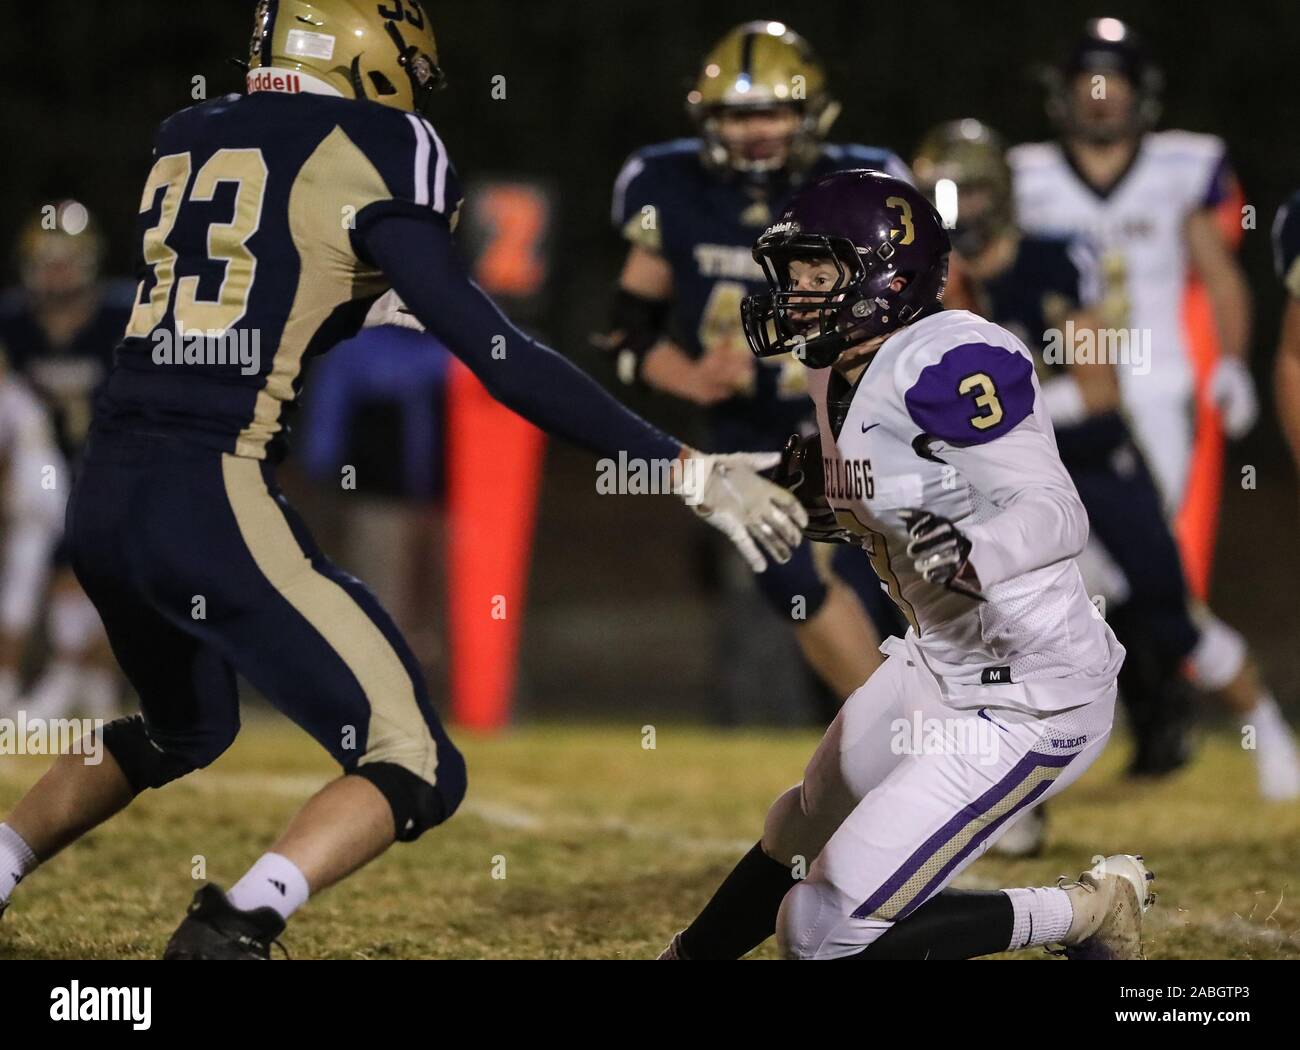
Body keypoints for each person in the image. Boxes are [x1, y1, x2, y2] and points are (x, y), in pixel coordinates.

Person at [0, 0, 805, 958]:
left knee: (185, 729)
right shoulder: (380, 140)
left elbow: (271, 285)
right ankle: (239, 922)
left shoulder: (189, 135)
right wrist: (684, 468)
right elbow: (499, 354)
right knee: (414, 761)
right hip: (207, 489)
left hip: (104, 499)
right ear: (368, 51)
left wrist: (382, 311)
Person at [660, 170, 1153, 961]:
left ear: (885, 275)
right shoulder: (832, 368)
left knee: (819, 932)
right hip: (939, 659)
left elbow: (1057, 512)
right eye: (792, 276)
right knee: (797, 826)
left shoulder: (951, 357)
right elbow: (848, 488)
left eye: (819, 276)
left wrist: (973, 553)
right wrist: (733, 481)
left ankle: (1083, 912)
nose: (796, 295)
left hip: (1029, 693)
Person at [914, 121, 1299, 830]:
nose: (953, 209)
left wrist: (993, 419)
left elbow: (1097, 390)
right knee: (1006, 627)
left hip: (1096, 465)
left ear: (997, 194)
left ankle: (1267, 728)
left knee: (1168, 612)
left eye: (964, 192)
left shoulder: (1056, 263)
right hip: (1016, 483)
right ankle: (1015, 801)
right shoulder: (938, 284)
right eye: (938, 193)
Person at [1010, 20, 1297, 800]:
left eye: (1116, 87)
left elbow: (1222, 274)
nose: (1101, 103)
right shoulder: (1023, 177)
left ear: (1141, 95)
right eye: (1087, 87)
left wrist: (1232, 363)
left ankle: (1229, 721)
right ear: (1064, 96)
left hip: (1153, 391)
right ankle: (1131, 730)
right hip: (1060, 400)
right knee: (1078, 577)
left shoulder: (1183, 164)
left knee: (1149, 575)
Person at [603, 21, 909, 707]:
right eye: (737, 116)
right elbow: (629, 331)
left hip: (864, 421)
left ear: (811, 112)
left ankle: (963, 744)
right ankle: (897, 739)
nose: (755, 131)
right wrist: (690, 377)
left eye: (773, 110)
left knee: (901, 591)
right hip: (750, 434)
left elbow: (924, 310)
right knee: (792, 586)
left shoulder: (864, 183)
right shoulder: (668, 182)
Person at [0, 202, 128, 719]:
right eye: (47, 260)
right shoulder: (11, 323)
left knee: (109, 575)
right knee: (38, 556)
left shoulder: (124, 316)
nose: (56, 272)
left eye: (65, 259)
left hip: (113, 465)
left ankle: (84, 681)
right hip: (42, 472)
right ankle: (51, 682)